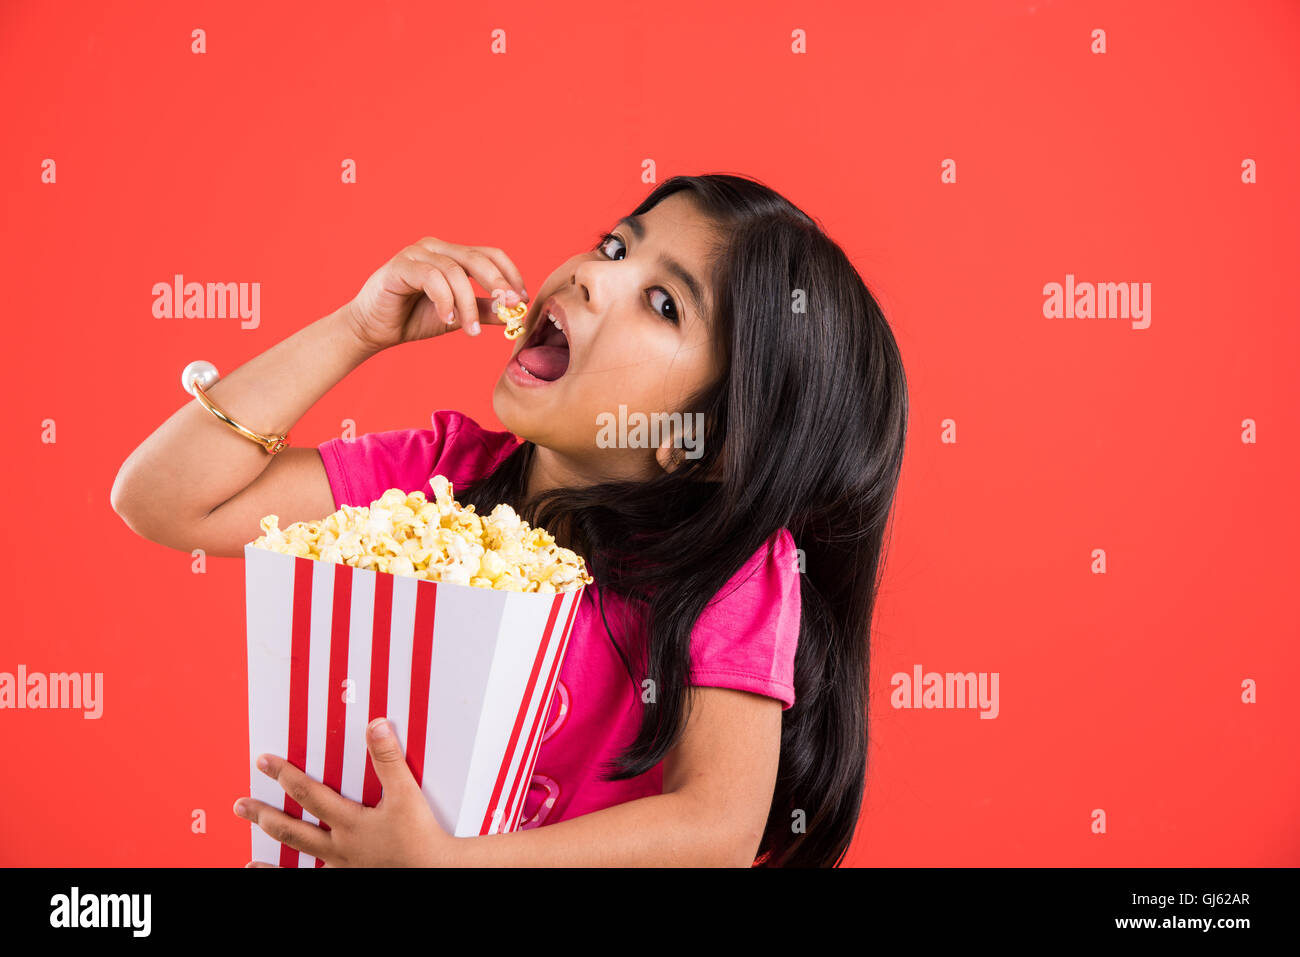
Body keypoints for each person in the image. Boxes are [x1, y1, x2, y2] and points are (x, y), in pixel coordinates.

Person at [112, 172, 909, 867]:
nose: (596, 279)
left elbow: (717, 830)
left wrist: (450, 864)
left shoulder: (729, 568)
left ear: (704, 442)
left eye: (663, 304)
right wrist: (357, 330)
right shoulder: (436, 480)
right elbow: (166, 501)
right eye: (615, 247)